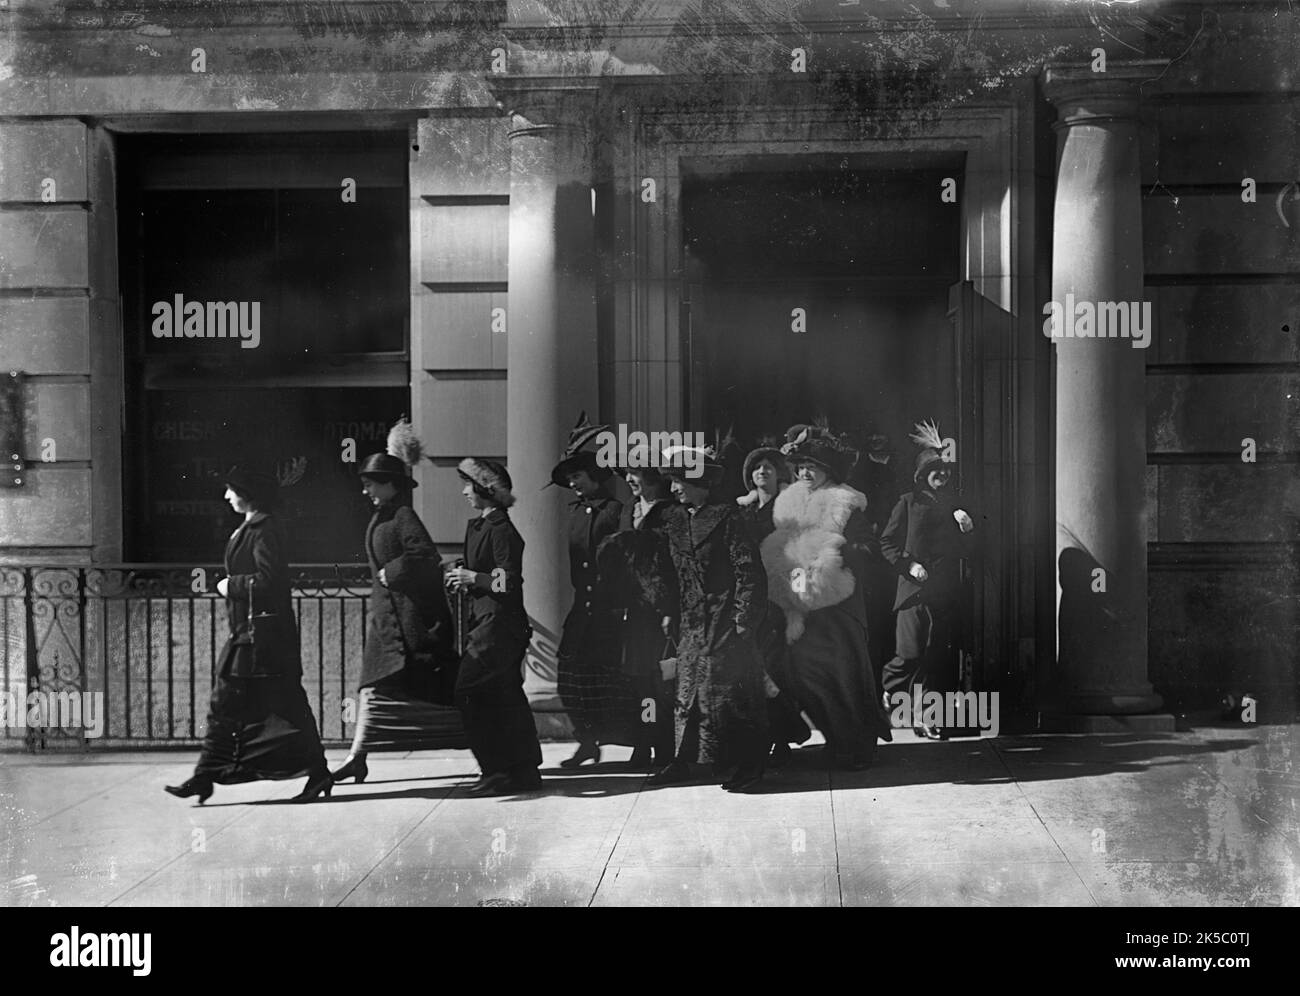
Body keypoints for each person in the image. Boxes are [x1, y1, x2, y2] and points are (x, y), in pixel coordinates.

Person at [165, 466, 331, 804]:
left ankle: (316, 772)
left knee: (278, 706)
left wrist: (231, 585)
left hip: (262, 638)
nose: (227, 496)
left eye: (231, 490)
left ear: (249, 493)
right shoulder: (253, 527)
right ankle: (206, 775)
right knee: (232, 703)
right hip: (252, 635)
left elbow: (270, 580)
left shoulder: (265, 529)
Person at [330, 422, 465, 786]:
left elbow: (424, 555)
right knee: (372, 688)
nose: (366, 490)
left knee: (384, 689)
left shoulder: (402, 516)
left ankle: (481, 741)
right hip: (390, 622)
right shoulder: (385, 516)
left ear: (391, 484)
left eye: (371, 483)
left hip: (408, 623)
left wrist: (394, 570)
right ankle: (358, 757)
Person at [761, 426, 892, 770]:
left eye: (812, 467)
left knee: (843, 676)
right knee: (804, 674)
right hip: (799, 601)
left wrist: (836, 553)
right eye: (801, 467)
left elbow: (868, 548)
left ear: (828, 470)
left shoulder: (845, 501)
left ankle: (855, 744)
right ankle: (834, 737)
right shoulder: (789, 499)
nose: (805, 473)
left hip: (838, 604)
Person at [650, 446, 769, 792]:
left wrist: (744, 618)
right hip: (691, 622)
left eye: (679, 482)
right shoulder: (675, 520)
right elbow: (671, 572)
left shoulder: (728, 518)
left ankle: (750, 766)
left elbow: (748, 571)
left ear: (698, 482)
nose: (674, 489)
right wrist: (669, 612)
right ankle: (683, 759)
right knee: (685, 693)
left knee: (732, 695)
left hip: (725, 621)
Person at [445, 458, 543, 796]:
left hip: (498, 628)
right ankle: (523, 770)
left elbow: (508, 581)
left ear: (486, 489)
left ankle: (497, 768)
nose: (464, 492)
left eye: (468, 486)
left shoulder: (502, 530)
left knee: (468, 692)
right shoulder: (481, 526)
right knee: (506, 696)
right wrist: (465, 576)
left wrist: (474, 577)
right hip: (488, 623)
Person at [880, 420, 977, 739]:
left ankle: (930, 720)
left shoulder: (955, 505)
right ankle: (890, 691)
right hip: (914, 593)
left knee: (937, 659)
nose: (942, 475)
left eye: (946, 471)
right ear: (923, 474)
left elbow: (967, 551)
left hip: (945, 593)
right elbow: (887, 542)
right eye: (936, 470)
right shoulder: (908, 502)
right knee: (909, 654)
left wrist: (968, 530)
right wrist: (909, 565)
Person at [594, 453, 681, 769]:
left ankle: (665, 746)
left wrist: (670, 608)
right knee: (639, 681)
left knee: (661, 681)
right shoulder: (629, 510)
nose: (629, 480)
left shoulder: (671, 512)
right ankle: (643, 742)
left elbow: (674, 566)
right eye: (627, 474)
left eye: (634, 474)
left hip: (661, 611)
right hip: (634, 611)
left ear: (651, 477)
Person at [552, 419, 626, 768]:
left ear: (594, 477)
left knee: (617, 680)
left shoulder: (614, 511)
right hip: (584, 608)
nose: (572, 482)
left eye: (578, 476)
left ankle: (639, 744)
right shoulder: (576, 513)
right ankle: (586, 741)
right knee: (570, 674)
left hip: (612, 610)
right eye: (570, 478)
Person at [736, 445, 809, 767]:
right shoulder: (742, 510)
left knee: (779, 668)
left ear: (778, 472)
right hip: (750, 598)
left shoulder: (788, 509)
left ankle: (783, 738)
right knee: (755, 669)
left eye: (768, 466)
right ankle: (764, 734)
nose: (762, 471)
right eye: (756, 467)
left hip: (779, 598)